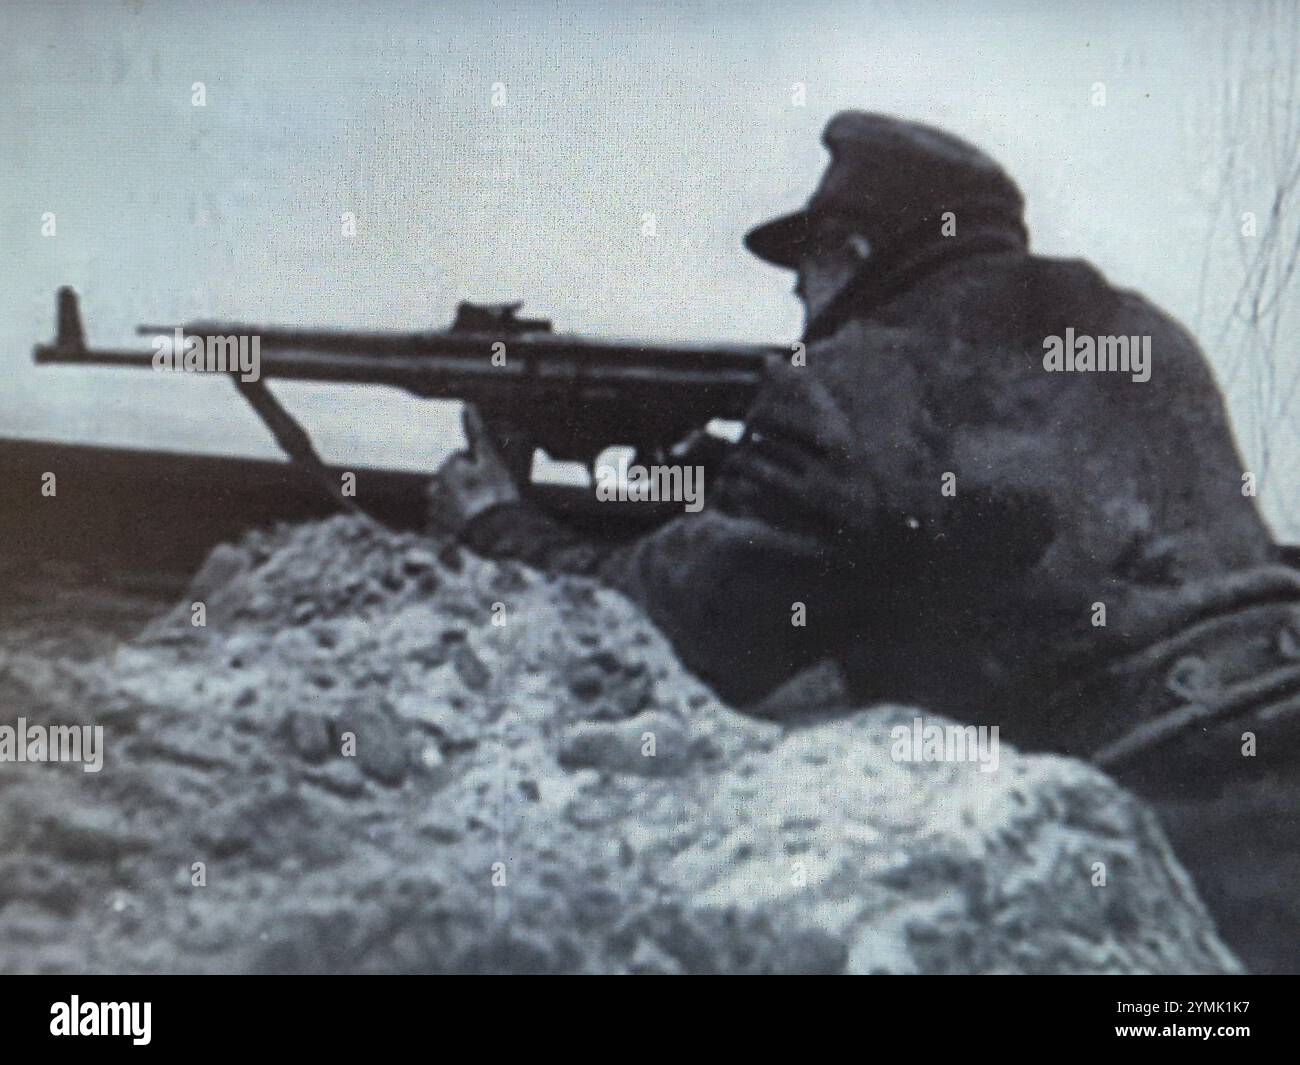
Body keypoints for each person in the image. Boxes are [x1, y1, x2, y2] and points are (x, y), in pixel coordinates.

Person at [434, 111, 1300, 788]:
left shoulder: (852, 381)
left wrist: (498, 526)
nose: (802, 306)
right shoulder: (1141, 331)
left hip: (1146, 786)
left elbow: (674, 630)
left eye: (803, 275)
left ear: (849, 253)